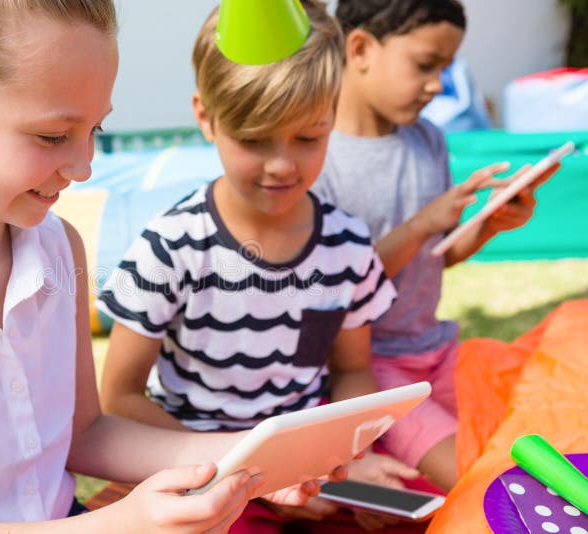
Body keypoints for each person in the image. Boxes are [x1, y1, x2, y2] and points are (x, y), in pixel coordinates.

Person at [0, 1, 355, 531]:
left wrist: (251, 457)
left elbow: (86, 432)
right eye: (54, 135)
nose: (84, 167)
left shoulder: (57, 245)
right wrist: (123, 523)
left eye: (94, 130)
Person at [97, 2, 420, 531]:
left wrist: (344, 456)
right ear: (206, 117)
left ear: (332, 116)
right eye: (253, 139)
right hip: (202, 478)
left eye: (308, 138)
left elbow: (353, 369)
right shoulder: (171, 245)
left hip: (314, 477)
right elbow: (120, 398)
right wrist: (253, 477)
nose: (281, 165)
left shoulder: (348, 245)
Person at [312, 0, 560, 492]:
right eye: (425, 65)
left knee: (529, 440)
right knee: (478, 482)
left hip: (439, 350)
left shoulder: (428, 140)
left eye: (445, 69)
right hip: (371, 368)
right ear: (359, 48)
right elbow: (336, 287)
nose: (436, 86)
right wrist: (423, 223)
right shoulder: (316, 156)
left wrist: (488, 226)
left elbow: (435, 256)